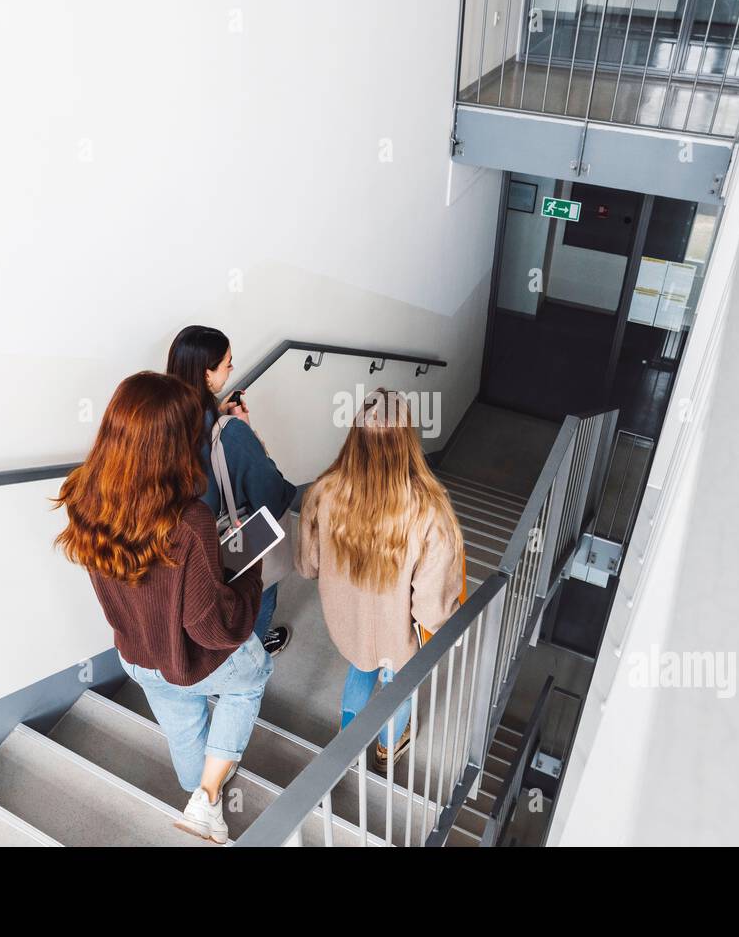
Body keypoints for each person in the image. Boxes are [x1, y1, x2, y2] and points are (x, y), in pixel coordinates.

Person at [54, 371, 270, 844]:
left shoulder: (84, 496)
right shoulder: (188, 520)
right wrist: (249, 575)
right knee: (252, 675)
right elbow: (212, 628)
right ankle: (210, 799)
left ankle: (197, 788)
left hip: (137, 654)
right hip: (190, 657)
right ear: (171, 443)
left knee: (182, 724)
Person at [297, 388, 465, 775]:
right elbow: (430, 608)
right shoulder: (429, 510)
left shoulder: (323, 492)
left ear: (355, 434)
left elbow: (308, 565)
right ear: (407, 438)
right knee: (397, 685)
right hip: (398, 632)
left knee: (360, 667)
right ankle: (388, 748)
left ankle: (345, 744)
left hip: (349, 624)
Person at [167, 325, 297, 656]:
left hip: (182, 548)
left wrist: (218, 420)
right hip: (232, 545)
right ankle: (248, 657)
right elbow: (273, 494)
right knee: (256, 591)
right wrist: (242, 431)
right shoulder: (232, 433)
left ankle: (215, 660)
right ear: (206, 373)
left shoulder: (164, 421)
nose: (231, 369)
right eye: (227, 363)